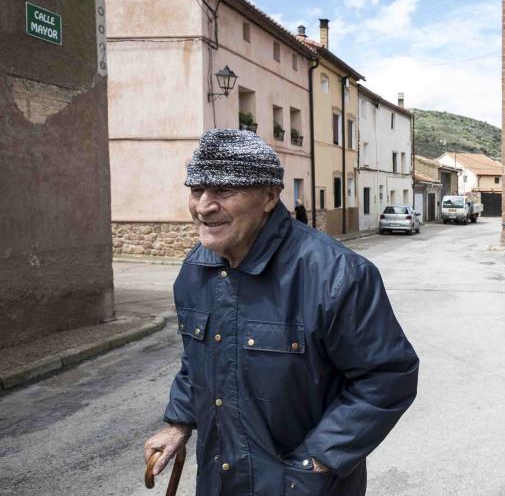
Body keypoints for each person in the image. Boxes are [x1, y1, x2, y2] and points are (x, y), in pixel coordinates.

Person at [142, 129, 419, 495]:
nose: (204, 205)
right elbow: (196, 361)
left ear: (270, 196)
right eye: (197, 190)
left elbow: (387, 377)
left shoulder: (337, 274)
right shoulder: (196, 270)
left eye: (224, 191)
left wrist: (316, 462)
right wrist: (178, 423)